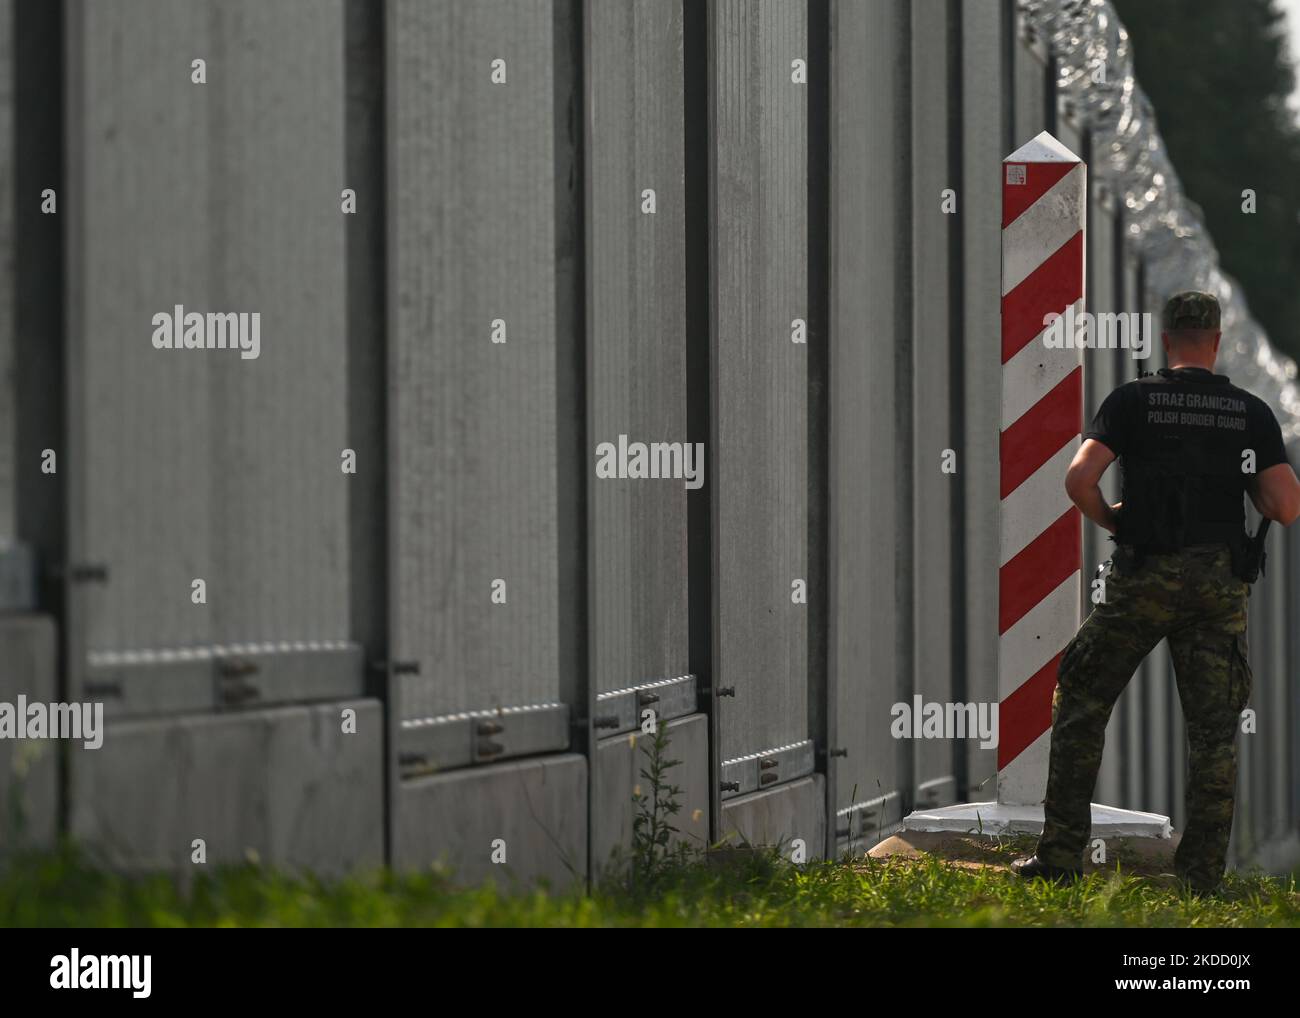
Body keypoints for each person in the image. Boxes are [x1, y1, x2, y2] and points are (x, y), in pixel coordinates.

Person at [1011, 290, 1300, 893]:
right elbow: (1285, 506)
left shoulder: (1134, 402)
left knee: (1083, 701)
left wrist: (1117, 521)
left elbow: (1078, 479)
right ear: (1216, 342)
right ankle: (1200, 878)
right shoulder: (1248, 413)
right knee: (1215, 734)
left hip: (1142, 579)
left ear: (1166, 339)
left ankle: (1061, 858)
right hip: (1217, 590)